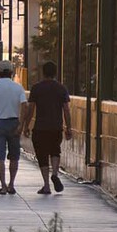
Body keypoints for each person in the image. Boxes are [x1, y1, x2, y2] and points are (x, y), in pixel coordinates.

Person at [22, 60, 72, 195]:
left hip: (40, 128)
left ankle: (46, 186)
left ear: (43, 73)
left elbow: (31, 108)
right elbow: (66, 109)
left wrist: (26, 126)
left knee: (42, 156)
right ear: (55, 73)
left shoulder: (37, 88)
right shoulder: (61, 88)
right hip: (56, 127)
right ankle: (55, 174)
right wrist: (69, 127)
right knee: (55, 151)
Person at [0, 63, 28, 195]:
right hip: (14, 123)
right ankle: (11, 184)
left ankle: (3, 185)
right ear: (12, 72)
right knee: (14, 156)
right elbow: (24, 106)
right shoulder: (18, 88)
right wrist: (21, 125)